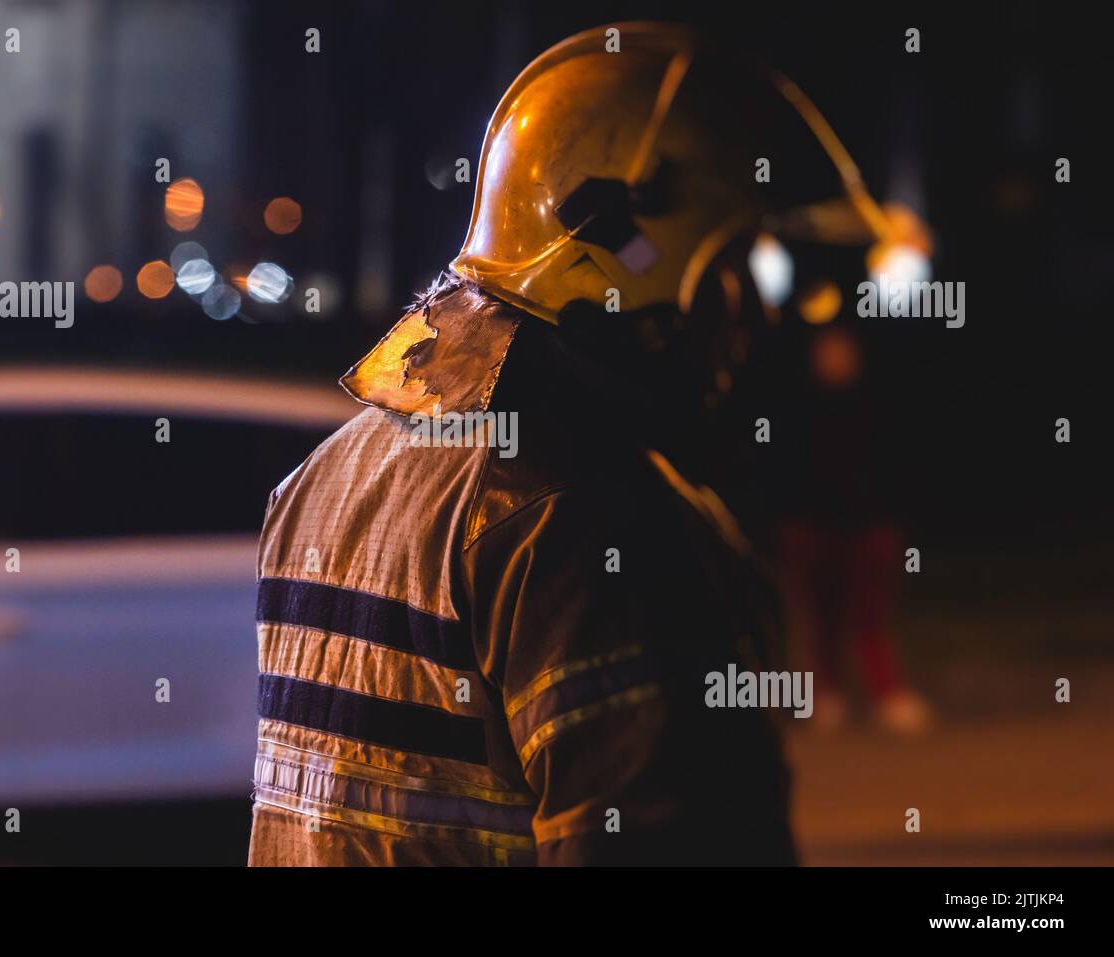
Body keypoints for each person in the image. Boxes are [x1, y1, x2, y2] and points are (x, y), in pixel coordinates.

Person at [248, 21, 893, 865]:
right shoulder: (603, 528)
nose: (754, 312)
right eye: (735, 260)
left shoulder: (317, 485)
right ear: (623, 249)